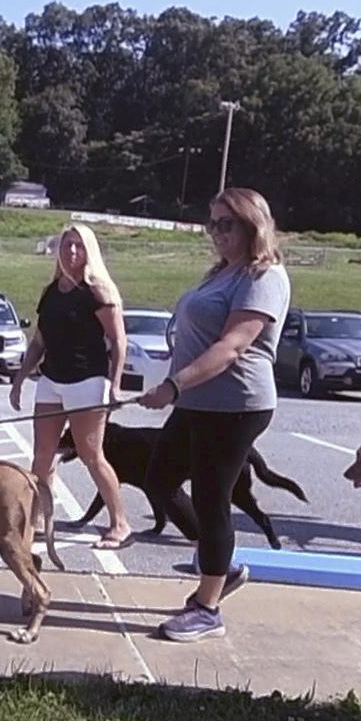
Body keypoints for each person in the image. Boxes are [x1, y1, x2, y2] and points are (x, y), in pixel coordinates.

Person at [136, 188, 292, 641]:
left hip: (235, 405)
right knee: (159, 479)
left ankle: (206, 609)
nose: (216, 233)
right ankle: (220, 564)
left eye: (227, 224)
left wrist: (173, 385)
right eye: (212, 224)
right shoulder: (224, 272)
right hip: (197, 402)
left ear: (252, 224)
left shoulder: (265, 277)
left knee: (211, 498)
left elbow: (232, 346)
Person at [9, 223, 132, 549]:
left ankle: (120, 523)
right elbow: (39, 341)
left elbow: (119, 340)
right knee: (42, 455)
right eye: (67, 245)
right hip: (51, 380)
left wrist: (114, 384)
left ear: (88, 250)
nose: (72, 251)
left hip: (87, 382)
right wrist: (21, 378)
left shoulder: (98, 292)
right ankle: (34, 519)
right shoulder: (51, 292)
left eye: (78, 246)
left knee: (92, 455)